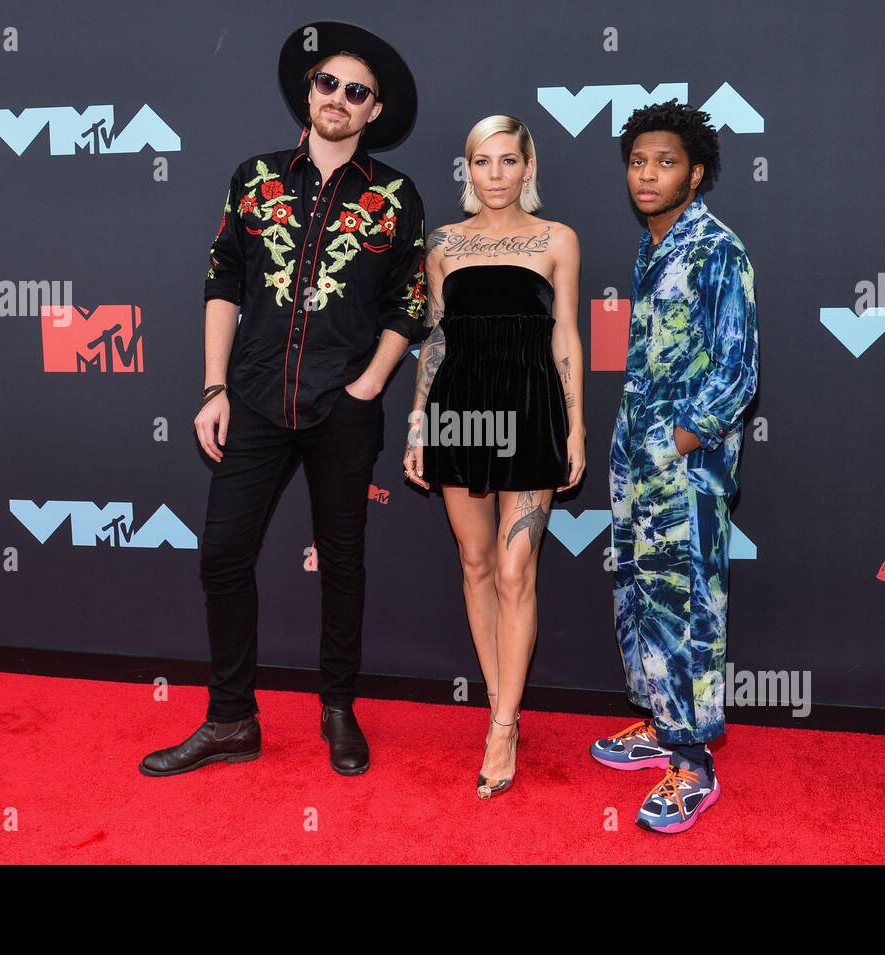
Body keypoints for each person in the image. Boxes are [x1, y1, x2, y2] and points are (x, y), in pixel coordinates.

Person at [141, 22, 428, 778]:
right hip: (255, 398)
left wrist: (369, 385)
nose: (339, 98)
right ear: (309, 92)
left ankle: (338, 708)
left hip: (344, 405)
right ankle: (232, 718)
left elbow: (411, 301)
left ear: (374, 111)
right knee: (222, 555)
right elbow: (223, 282)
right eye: (328, 82)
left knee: (343, 560)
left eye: (357, 91)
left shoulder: (395, 196)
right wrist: (214, 386)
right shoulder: (254, 177)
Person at [403, 115, 585, 798]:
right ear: (468, 169)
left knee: (515, 570)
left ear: (528, 166)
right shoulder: (443, 243)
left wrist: (576, 428)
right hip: (460, 411)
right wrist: (418, 425)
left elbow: (566, 334)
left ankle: (503, 727)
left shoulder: (557, 238)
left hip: (533, 409)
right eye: (483, 161)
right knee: (477, 563)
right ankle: (497, 700)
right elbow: (436, 339)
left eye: (509, 160)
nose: (496, 174)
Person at [589, 100, 758, 834]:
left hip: (684, 470)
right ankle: (662, 725)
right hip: (638, 457)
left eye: (665, 162)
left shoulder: (718, 249)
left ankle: (693, 765)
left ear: (696, 173)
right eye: (638, 162)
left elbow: (737, 370)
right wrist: (639, 446)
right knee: (641, 592)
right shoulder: (652, 244)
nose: (648, 175)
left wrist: (677, 444)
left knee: (685, 604)